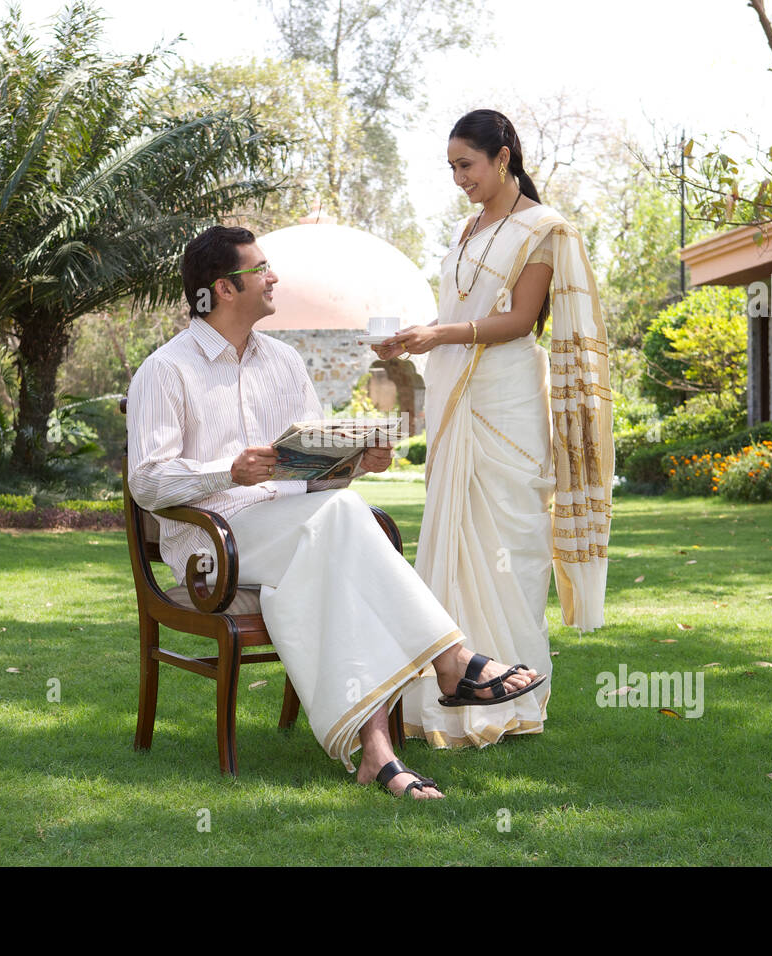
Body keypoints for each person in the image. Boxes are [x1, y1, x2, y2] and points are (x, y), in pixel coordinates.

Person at [125, 225, 549, 799]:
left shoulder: (284, 362)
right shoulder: (165, 370)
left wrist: (356, 462)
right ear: (223, 288)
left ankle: (377, 754)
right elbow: (147, 481)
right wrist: (229, 471)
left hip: (298, 532)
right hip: (214, 546)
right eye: (260, 270)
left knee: (336, 534)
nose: (273, 277)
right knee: (342, 521)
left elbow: (312, 465)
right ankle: (453, 661)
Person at [373, 109, 614, 750]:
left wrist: (437, 334)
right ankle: (451, 696)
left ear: (502, 156)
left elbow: (518, 321)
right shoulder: (470, 226)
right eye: (451, 167)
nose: (458, 178)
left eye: (467, 165)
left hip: (506, 402)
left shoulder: (543, 229)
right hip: (459, 392)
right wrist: (414, 338)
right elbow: (463, 311)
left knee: (510, 546)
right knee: (453, 542)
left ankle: (515, 701)